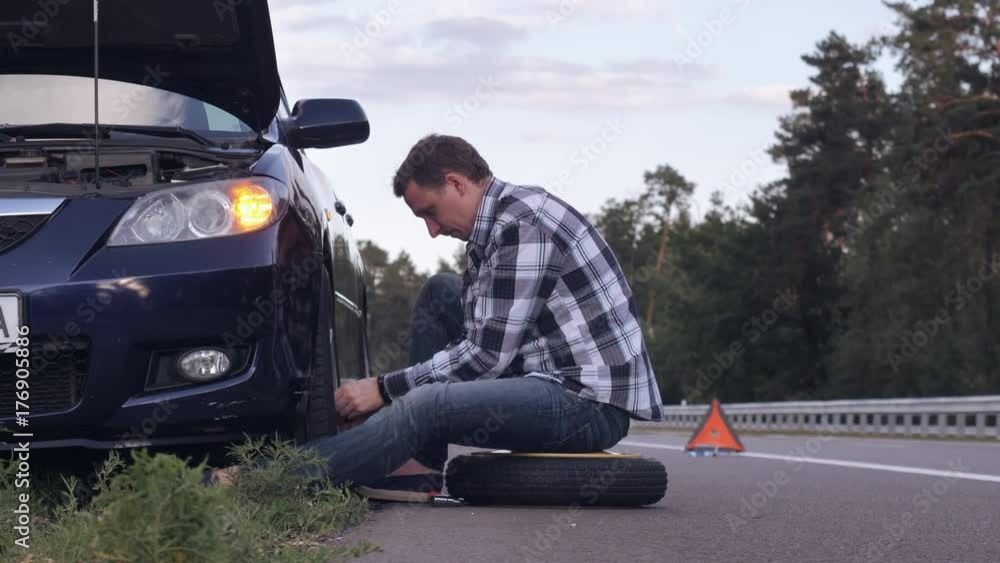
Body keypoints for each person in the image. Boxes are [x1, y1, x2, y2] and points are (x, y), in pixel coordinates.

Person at [217, 134, 663, 489]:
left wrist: (384, 391)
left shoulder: (523, 226)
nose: (431, 232)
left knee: (424, 406)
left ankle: (263, 483)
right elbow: (479, 335)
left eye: (430, 213)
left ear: (456, 183)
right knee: (440, 292)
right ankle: (421, 467)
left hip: (586, 405)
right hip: (545, 373)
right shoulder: (492, 230)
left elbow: (485, 358)